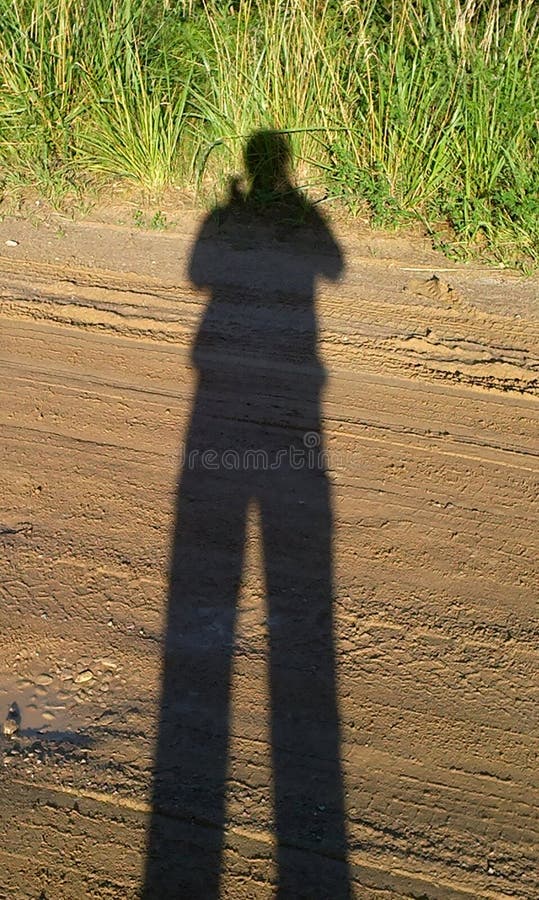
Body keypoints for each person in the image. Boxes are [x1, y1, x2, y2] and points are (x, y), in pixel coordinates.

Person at [144, 130, 350, 898]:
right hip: (299, 381)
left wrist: (235, 212)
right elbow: (333, 267)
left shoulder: (231, 212)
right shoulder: (298, 210)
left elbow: (198, 275)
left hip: (225, 388)